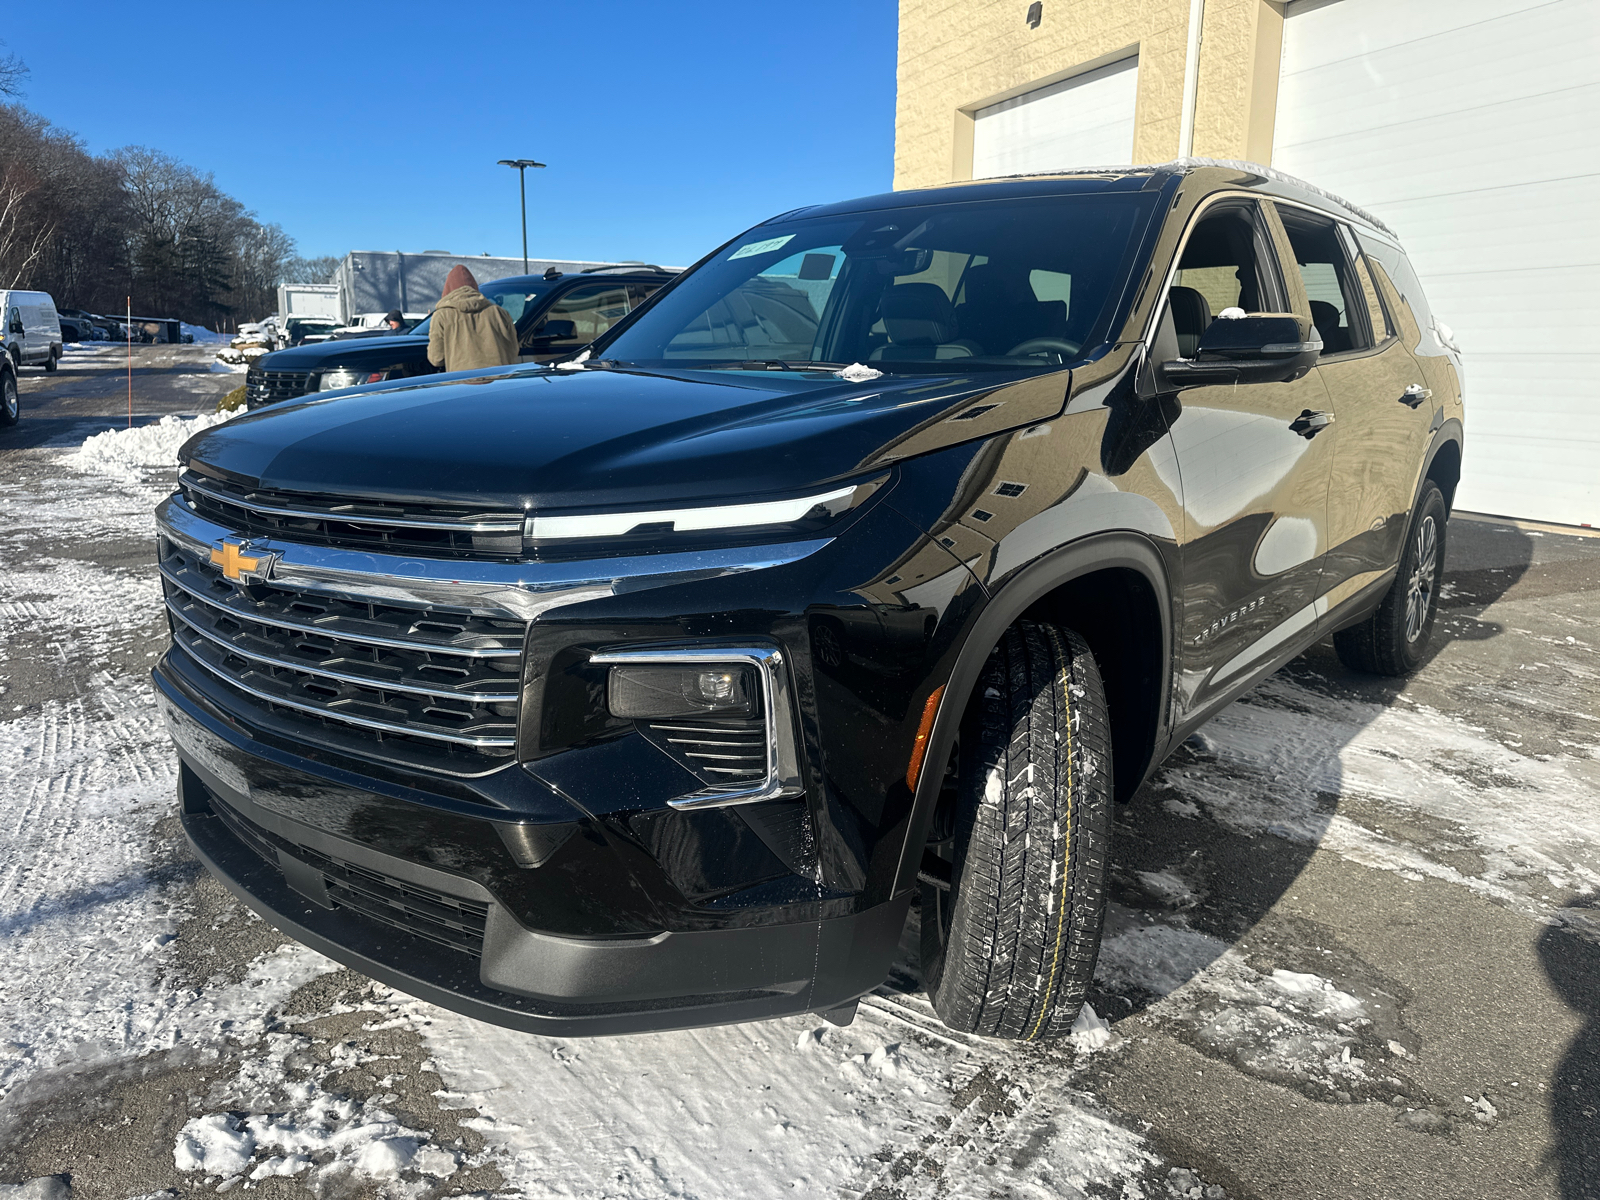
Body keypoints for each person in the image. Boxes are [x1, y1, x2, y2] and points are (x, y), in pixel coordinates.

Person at [426, 265, 518, 372]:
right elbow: (513, 351)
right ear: (474, 287)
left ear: (447, 290)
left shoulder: (441, 316)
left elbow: (436, 359)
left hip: (462, 380)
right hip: (498, 378)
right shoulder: (499, 313)